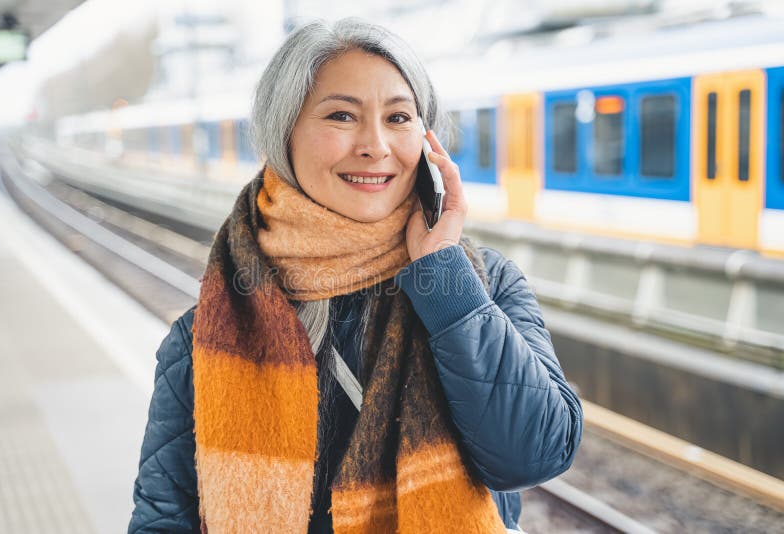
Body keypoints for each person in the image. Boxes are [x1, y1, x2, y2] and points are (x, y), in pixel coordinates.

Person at [128, 17, 582, 534]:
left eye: (399, 118)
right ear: (283, 134)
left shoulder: (482, 285)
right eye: (342, 115)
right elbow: (163, 520)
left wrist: (443, 280)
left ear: (428, 141)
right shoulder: (207, 334)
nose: (375, 145)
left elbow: (534, 455)